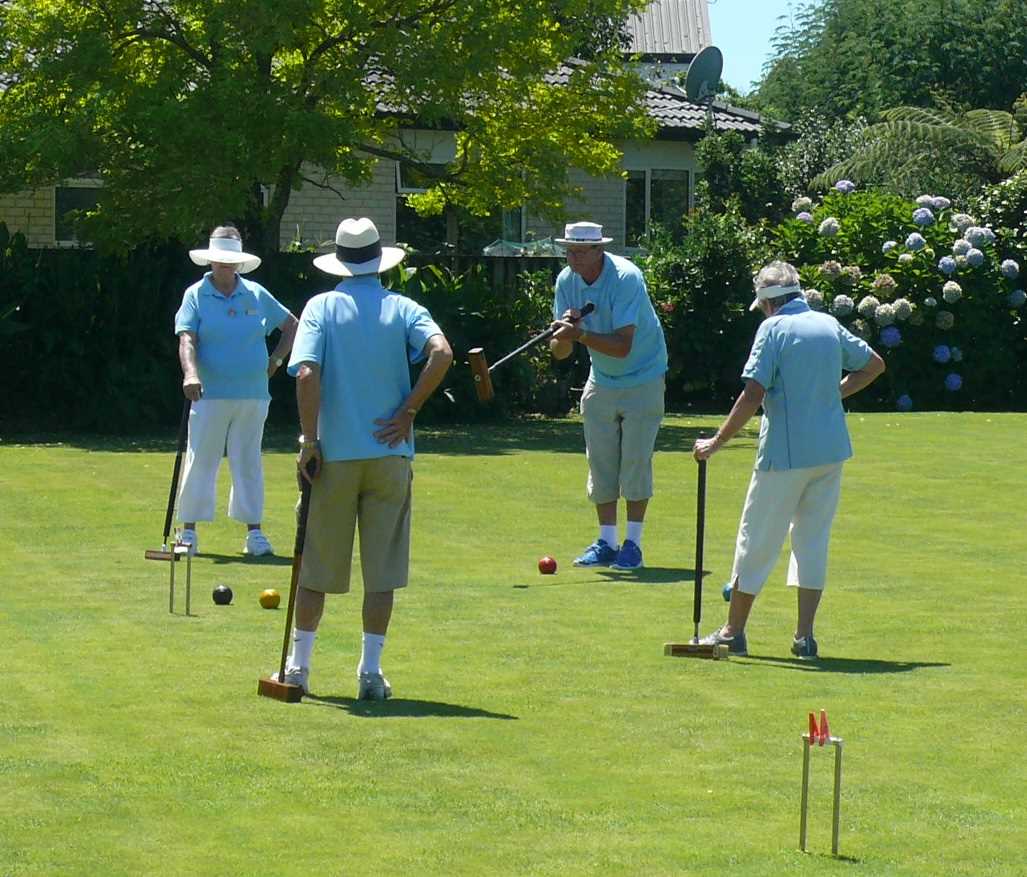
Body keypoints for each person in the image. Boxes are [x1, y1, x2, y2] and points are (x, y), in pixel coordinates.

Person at [273, 217, 453, 700]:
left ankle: (299, 668)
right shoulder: (404, 307)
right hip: (390, 455)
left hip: (333, 456)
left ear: (339, 262)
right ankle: (370, 673)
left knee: (316, 567)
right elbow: (441, 353)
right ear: (380, 262)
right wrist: (408, 411)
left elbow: (305, 373)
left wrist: (310, 441)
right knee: (382, 571)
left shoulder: (321, 307)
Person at [693, 260, 885, 659]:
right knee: (812, 541)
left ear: (767, 302)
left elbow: (753, 394)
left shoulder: (773, 328)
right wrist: (830, 394)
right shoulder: (827, 324)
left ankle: (732, 632)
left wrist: (717, 441)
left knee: (756, 539)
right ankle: (804, 637)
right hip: (830, 452)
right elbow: (873, 366)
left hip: (784, 455)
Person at [549, 221, 668, 571]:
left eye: (580, 251)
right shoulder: (566, 281)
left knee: (635, 462)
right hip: (601, 379)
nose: (573, 258)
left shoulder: (626, 278)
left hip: (644, 375)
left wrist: (580, 335)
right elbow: (559, 353)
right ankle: (606, 542)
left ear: (599, 250)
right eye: (569, 251)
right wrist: (565, 334)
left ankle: (633, 545)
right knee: (600, 462)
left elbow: (622, 346)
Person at [174, 225, 298, 556]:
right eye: (220, 259)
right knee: (201, 460)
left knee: (248, 462)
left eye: (230, 260)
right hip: (209, 394)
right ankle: (188, 532)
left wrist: (276, 360)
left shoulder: (255, 293)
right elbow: (187, 339)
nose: (225, 265)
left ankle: (254, 534)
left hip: (253, 395)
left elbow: (292, 325)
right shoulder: (195, 295)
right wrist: (190, 374)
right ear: (211, 260)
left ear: (238, 261)